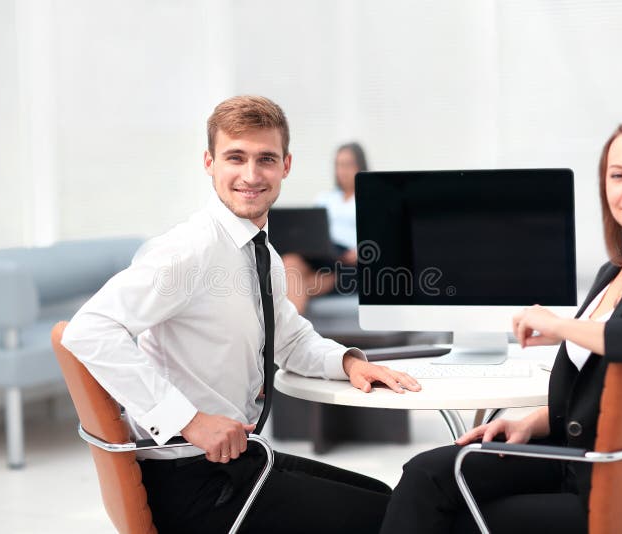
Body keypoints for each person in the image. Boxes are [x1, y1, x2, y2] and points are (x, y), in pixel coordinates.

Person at [61, 95, 421, 534]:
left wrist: (347, 362)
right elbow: (89, 329)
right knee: (390, 518)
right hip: (193, 483)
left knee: (389, 501)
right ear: (209, 162)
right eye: (236, 157)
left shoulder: (258, 250)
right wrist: (188, 421)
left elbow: (289, 339)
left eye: (265, 159)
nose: (251, 175)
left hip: (237, 461)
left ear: (285, 166)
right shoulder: (189, 250)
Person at [379, 113, 622, 534]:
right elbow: (593, 390)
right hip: (568, 453)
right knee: (427, 474)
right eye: (618, 175)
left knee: (458, 520)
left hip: (615, 477)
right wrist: (530, 422)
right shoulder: (613, 272)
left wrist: (560, 325)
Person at [282, 142, 367, 313]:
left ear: (360, 166)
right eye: (339, 165)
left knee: (304, 284)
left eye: (347, 165)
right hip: (323, 252)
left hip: (349, 260)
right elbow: (311, 229)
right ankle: (291, 335)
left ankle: (284, 335)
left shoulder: (370, 199)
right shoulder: (325, 199)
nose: (342, 170)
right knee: (290, 260)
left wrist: (361, 250)